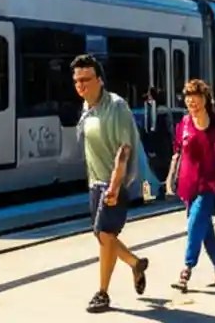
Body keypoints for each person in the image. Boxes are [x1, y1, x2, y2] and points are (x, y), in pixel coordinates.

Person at [72, 54, 149, 313]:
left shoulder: (116, 107)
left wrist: (115, 186)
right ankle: (131, 267)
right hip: (96, 183)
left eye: (86, 79)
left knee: (103, 234)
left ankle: (106, 289)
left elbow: (124, 150)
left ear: (99, 80)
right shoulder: (87, 108)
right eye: (77, 81)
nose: (80, 85)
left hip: (113, 183)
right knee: (104, 237)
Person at [166, 79, 215, 292]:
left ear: (205, 100)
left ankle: (186, 270)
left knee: (195, 223)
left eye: (195, 100)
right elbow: (176, 154)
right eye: (188, 101)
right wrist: (170, 179)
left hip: (210, 184)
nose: (191, 104)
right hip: (189, 184)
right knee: (204, 228)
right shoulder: (184, 124)